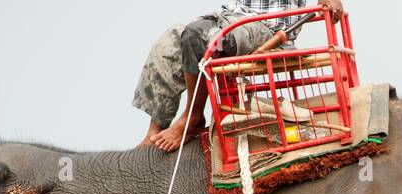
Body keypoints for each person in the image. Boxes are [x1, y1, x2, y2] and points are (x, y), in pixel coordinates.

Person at [133, 1, 345, 152]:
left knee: (197, 35)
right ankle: (156, 127)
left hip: (267, 26)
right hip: (233, 17)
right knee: (169, 41)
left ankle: (193, 116)